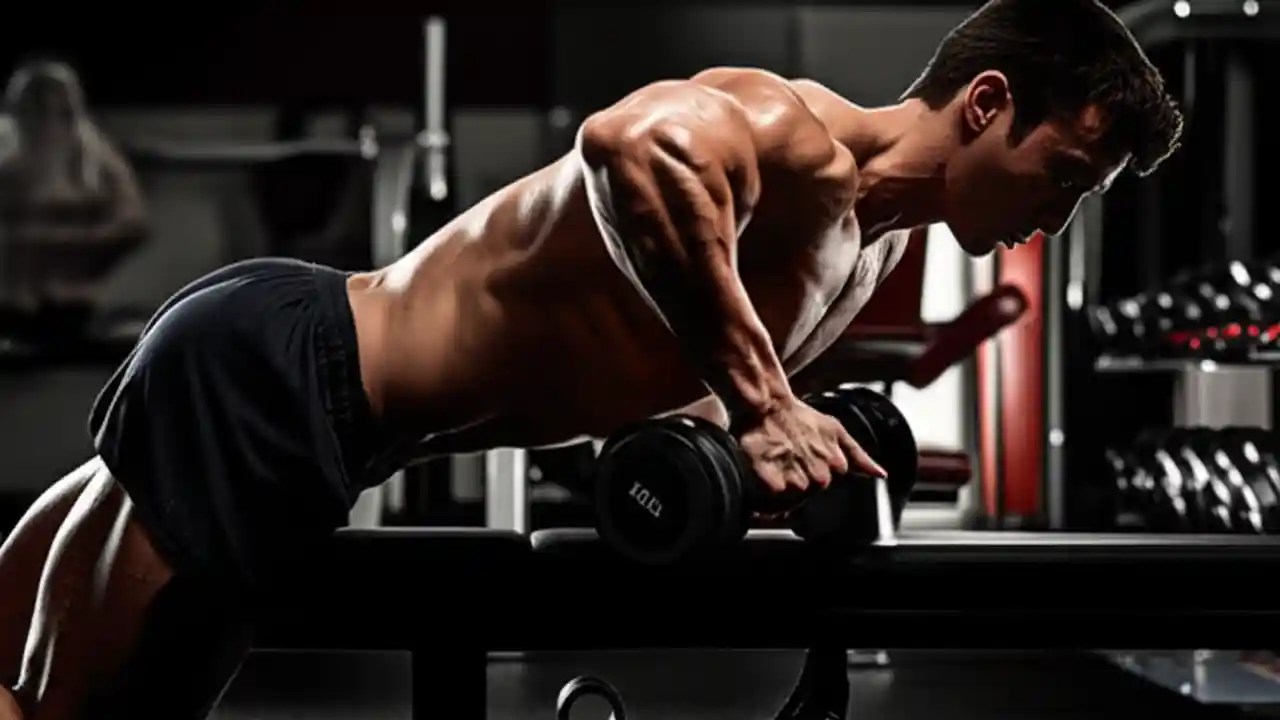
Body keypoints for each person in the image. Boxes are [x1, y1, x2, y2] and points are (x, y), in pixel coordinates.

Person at [0, 0, 1182, 717]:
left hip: (324, 405)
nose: (1055, 219)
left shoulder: (865, 256)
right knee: (83, 712)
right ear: (984, 103)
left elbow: (654, 387)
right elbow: (631, 145)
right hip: (281, 370)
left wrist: (786, 452)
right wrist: (764, 404)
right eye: (1064, 178)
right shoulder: (796, 139)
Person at [0, 60, 148, 336]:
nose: (47, 121)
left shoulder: (95, 155)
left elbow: (132, 221)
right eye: (36, 108)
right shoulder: (5, 149)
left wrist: (71, 245)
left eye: (58, 110)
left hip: (72, 301)